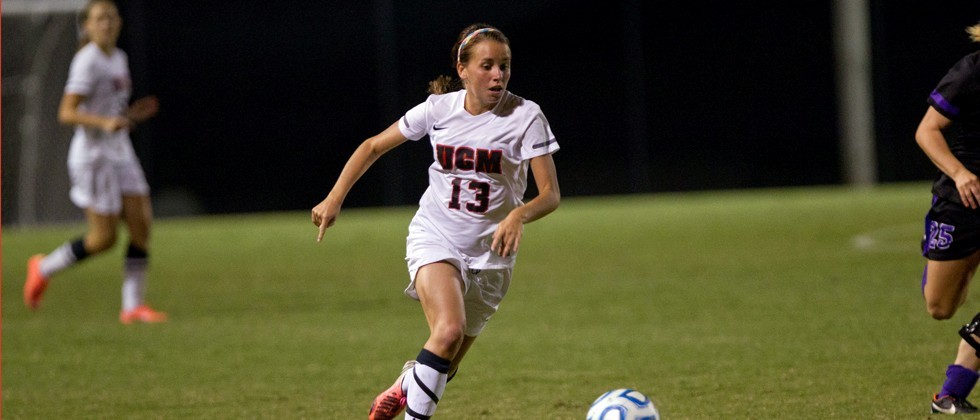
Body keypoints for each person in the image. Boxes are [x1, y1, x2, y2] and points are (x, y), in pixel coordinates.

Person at [311, 23, 560, 419]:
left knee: (446, 363)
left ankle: (406, 383)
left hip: (493, 258)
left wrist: (518, 213)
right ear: (462, 69)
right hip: (437, 236)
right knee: (447, 332)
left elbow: (550, 194)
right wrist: (334, 197)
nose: (498, 75)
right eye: (487, 66)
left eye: (505, 66)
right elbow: (373, 146)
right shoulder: (437, 109)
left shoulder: (526, 116)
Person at [23, 0, 167, 324]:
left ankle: (132, 306)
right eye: (100, 18)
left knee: (141, 226)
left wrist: (130, 114)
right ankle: (43, 267)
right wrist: (104, 124)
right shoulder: (86, 61)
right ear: (86, 25)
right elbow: (66, 112)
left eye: (112, 17)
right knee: (104, 239)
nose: (107, 23)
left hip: (120, 150)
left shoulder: (118, 57)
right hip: (94, 157)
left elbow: (110, 110)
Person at [917, 22, 980, 415]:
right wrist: (959, 173)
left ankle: (950, 393)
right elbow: (927, 131)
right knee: (940, 306)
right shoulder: (971, 71)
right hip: (963, 202)